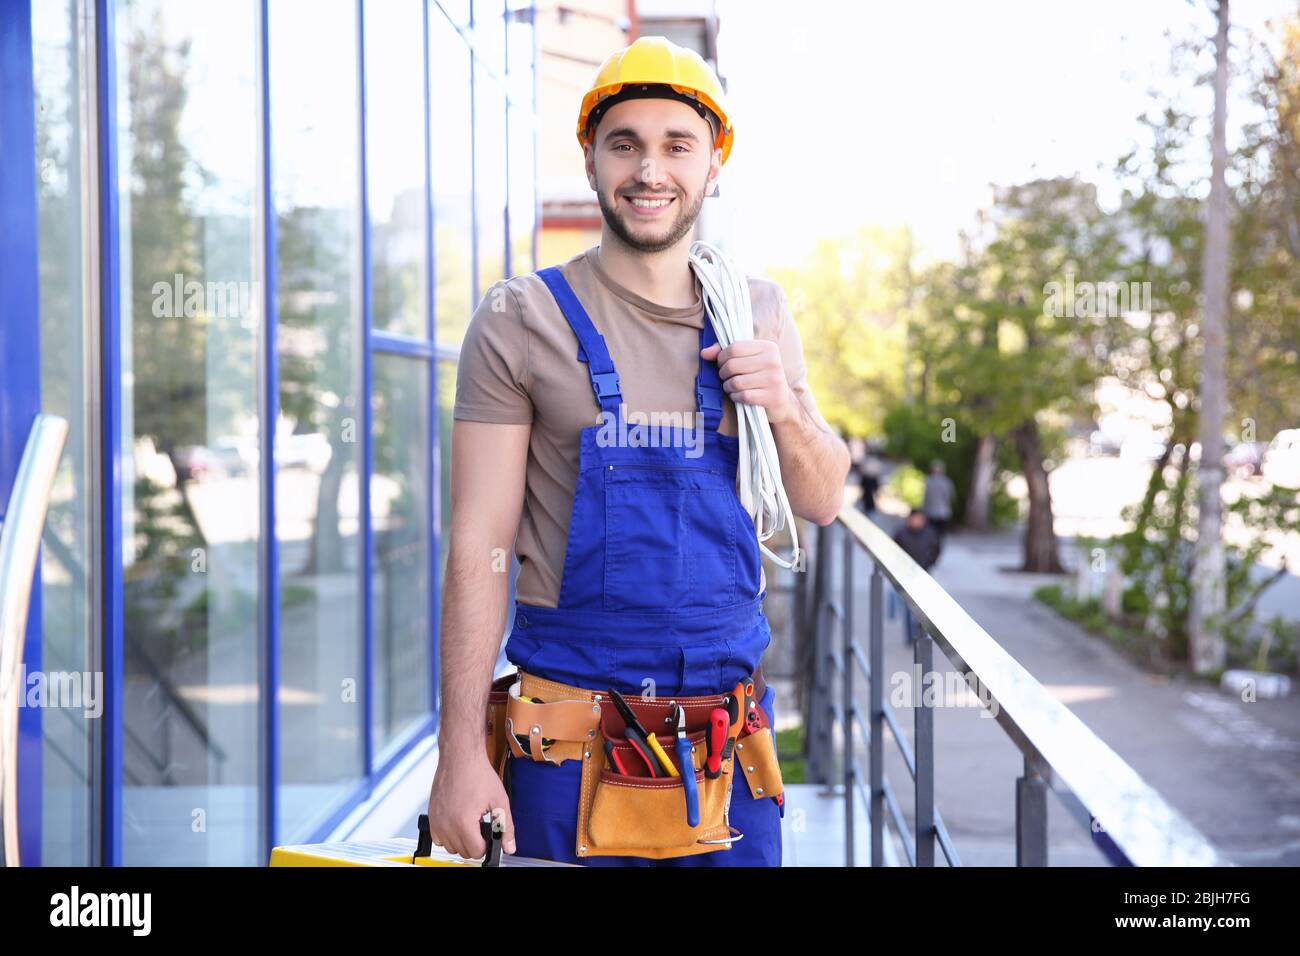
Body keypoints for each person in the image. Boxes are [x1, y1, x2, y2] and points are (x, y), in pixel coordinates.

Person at [425, 36, 851, 868]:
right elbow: (480, 545)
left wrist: (783, 409)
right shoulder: (521, 318)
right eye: (624, 144)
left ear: (713, 165)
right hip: (565, 757)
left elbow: (823, 499)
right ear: (590, 161)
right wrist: (459, 754)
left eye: (676, 145)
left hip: (727, 761)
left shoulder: (754, 311)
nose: (649, 170)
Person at [892, 509, 941, 643]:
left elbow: (936, 549)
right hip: (906, 575)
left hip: (924, 573)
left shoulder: (930, 533)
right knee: (909, 607)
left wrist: (930, 562)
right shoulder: (901, 533)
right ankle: (911, 637)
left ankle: (921, 633)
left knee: (923, 606)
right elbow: (893, 551)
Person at [922, 459, 956, 540]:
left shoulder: (928, 481)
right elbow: (951, 497)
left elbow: (925, 498)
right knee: (939, 535)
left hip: (931, 512)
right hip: (942, 513)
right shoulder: (947, 482)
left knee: (930, 533)